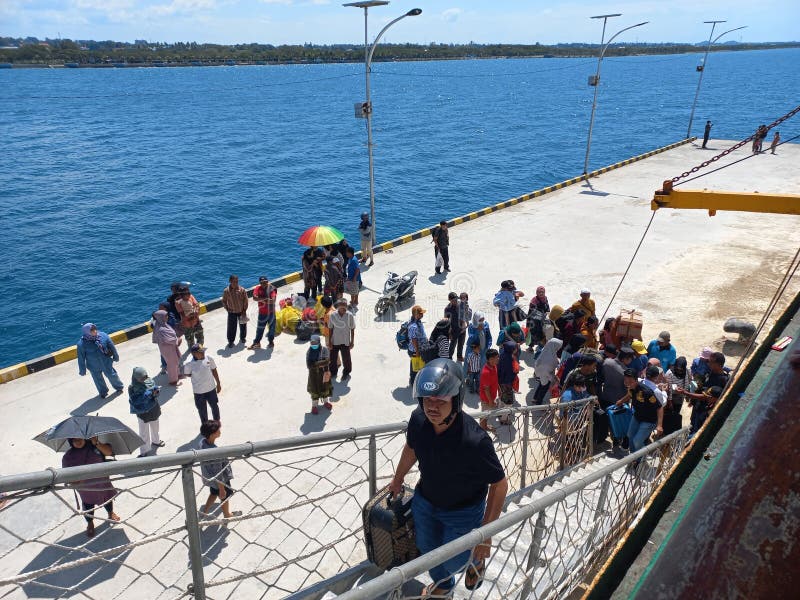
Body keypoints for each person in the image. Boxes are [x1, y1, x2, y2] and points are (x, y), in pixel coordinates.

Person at [389, 359, 508, 595]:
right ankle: (443, 585)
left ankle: (475, 562)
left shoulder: (474, 441)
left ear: (455, 400)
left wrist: (486, 535)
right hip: (425, 500)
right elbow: (411, 448)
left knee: (455, 561)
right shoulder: (418, 419)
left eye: (440, 401)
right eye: (427, 399)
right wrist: (398, 478)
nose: (432, 406)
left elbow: (499, 483)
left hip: (463, 511)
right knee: (427, 549)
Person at [62, 437, 120, 537]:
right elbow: (66, 476)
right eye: (74, 440)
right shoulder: (68, 456)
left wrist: (96, 443)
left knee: (107, 498)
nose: (78, 441)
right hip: (85, 488)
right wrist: (75, 481)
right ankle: (90, 523)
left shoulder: (95, 447)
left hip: (102, 482)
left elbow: (109, 452)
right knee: (88, 505)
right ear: (70, 441)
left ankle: (110, 513)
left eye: (80, 438)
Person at [615, 366, 664, 455]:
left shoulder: (647, 392)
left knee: (637, 441)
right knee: (630, 436)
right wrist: (621, 401)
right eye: (625, 380)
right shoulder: (631, 388)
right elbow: (629, 395)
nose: (627, 383)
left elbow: (659, 407)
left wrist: (659, 425)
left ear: (636, 380)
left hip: (649, 420)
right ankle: (634, 457)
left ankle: (640, 459)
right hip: (637, 416)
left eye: (630, 381)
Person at [198, 420, 241, 519]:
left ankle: (204, 513)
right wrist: (222, 489)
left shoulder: (202, 443)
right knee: (224, 497)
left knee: (213, 493)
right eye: (218, 430)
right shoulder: (215, 452)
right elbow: (219, 473)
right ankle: (227, 514)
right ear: (212, 434)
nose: (220, 431)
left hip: (210, 478)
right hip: (220, 482)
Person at [598, 345, 636, 445]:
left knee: (607, 420)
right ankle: (616, 440)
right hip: (619, 401)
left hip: (605, 396)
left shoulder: (607, 362)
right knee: (617, 423)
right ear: (625, 358)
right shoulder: (625, 372)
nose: (631, 361)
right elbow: (630, 390)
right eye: (630, 359)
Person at [77, 323, 124, 398]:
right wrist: (82, 370)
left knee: (112, 375)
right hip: (93, 366)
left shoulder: (103, 335)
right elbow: (81, 358)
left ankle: (119, 387)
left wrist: (116, 356)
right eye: (92, 330)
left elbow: (112, 347)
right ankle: (103, 392)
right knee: (98, 380)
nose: (95, 331)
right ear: (87, 332)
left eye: (95, 329)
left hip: (106, 362)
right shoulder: (81, 344)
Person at [128, 367, 164, 458]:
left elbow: (154, 388)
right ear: (136, 378)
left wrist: (156, 392)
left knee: (155, 427)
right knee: (143, 433)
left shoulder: (148, 380)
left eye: (145, 377)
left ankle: (156, 441)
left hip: (153, 409)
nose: (144, 379)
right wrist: (149, 394)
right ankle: (144, 451)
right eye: (141, 378)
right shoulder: (132, 388)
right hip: (142, 412)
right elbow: (135, 401)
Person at [183, 344, 222, 423]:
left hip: (211, 389)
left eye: (203, 351)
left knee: (214, 406)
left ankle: (217, 422)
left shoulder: (209, 358)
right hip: (199, 392)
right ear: (194, 354)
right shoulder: (188, 364)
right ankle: (205, 425)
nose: (203, 353)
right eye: (200, 352)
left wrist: (218, 383)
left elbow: (214, 370)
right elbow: (187, 374)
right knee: (202, 410)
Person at [151, 310, 182, 386]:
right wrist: (177, 340)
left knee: (175, 361)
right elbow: (168, 339)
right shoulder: (161, 329)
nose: (167, 317)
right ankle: (173, 381)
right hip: (168, 349)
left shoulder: (163, 324)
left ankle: (177, 375)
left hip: (170, 347)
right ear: (160, 318)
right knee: (172, 364)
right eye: (165, 316)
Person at [328, 298, 355, 380]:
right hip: (335, 341)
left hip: (345, 341)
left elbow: (352, 328)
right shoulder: (333, 315)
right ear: (338, 306)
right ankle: (333, 373)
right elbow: (330, 328)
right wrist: (329, 341)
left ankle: (346, 372)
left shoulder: (350, 315)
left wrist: (352, 341)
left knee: (346, 358)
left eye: (345, 305)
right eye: (342, 305)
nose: (343, 307)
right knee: (332, 358)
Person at [663, 357, 692, 435]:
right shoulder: (670, 373)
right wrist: (670, 401)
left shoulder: (688, 371)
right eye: (677, 369)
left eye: (681, 369)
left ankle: (672, 430)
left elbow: (689, 381)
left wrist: (686, 393)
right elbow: (668, 389)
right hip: (671, 397)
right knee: (668, 413)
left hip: (680, 396)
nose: (679, 371)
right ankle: (665, 430)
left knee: (676, 412)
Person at [531, 338, 563, 406]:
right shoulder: (550, 359)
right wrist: (553, 378)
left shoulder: (546, 350)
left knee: (540, 386)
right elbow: (548, 370)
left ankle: (535, 398)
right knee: (543, 389)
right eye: (558, 347)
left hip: (540, 373)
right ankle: (538, 403)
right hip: (546, 376)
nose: (558, 349)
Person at [306, 334, 333, 414]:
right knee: (314, 390)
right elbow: (309, 365)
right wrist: (322, 363)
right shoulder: (309, 352)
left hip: (324, 373)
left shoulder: (324, 350)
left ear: (319, 342)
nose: (313, 345)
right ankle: (314, 406)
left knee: (325, 388)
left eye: (315, 343)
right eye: (312, 344)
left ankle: (325, 402)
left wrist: (315, 363)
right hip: (313, 375)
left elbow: (327, 361)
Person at [249, 276, 277, 349]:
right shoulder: (257, 288)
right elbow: (254, 298)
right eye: (262, 282)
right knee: (259, 329)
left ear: (267, 281)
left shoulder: (272, 289)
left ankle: (271, 342)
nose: (264, 284)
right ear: (260, 283)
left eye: (265, 282)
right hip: (262, 313)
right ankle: (257, 343)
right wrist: (265, 299)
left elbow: (273, 300)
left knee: (271, 329)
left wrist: (260, 299)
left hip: (271, 313)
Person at [222, 275, 249, 348]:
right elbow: (224, 301)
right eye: (234, 282)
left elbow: (245, 300)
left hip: (241, 311)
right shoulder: (226, 291)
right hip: (232, 312)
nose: (236, 283)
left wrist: (244, 310)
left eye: (237, 281)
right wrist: (227, 309)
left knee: (243, 326)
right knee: (231, 328)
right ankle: (231, 341)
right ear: (230, 281)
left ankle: (242, 338)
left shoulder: (242, 290)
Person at [479, 348, 501, 430]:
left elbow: (495, 379)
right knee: (484, 415)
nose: (498, 359)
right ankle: (482, 428)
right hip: (486, 399)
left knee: (487, 414)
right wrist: (490, 401)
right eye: (496, 357)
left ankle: (484, 426)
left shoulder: (494, 366)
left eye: (498, 356)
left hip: (491, 397)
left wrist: (499, 389)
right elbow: (486, 389)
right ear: (490, 359)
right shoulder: (486, 372)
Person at [444, 292, 467, 361]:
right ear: (449, 300)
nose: (455, 301)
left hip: (462, 329)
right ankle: (449, 358)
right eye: (453, 300)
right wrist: (449, 333)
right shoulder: (447, 309)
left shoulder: (461, 304)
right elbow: (446, 322)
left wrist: (464, 324)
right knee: (452, 345)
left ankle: (459, 356)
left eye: (456, 299)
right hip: (453, 330)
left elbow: (464, 315)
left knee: (461, 344)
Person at [408, 305, 427, 385]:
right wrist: (417, 351)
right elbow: (414, 340)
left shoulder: (418, 321)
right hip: (415, 350)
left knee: (416, 365)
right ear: (416, 315)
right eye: (421, 313)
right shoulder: (413, 326)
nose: (422, 315)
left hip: (419, 348)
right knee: (415, 367)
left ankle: (416, 379)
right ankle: (413, 382)